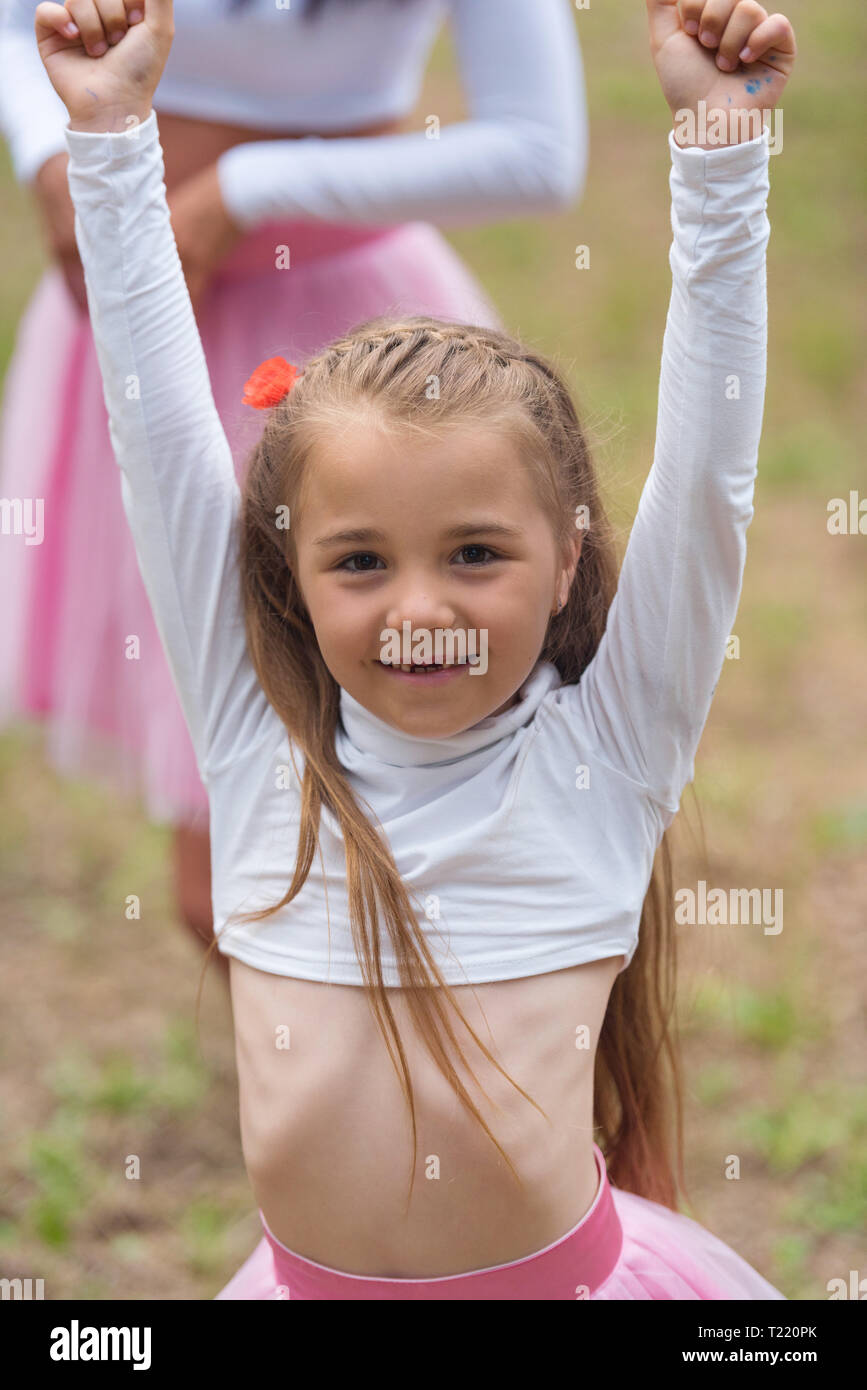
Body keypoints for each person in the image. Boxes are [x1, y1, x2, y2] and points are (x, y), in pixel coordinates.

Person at [36, 0, 797, 1299]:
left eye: (475, 553)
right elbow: (154, 430)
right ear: (289, 572)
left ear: (566, 559)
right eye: (359, 562)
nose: (418, 609)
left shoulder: (608, 755)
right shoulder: (258, 746)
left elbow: (709, 482)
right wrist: (109, 137)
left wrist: (720, 153)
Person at [0, 0, 587, 970]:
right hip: (138, 312)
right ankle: (313, 1049)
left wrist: (246, 189)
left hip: (336, 349)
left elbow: (538, 150)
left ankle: (459, 1034)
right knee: (227, 871)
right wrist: (54, 157)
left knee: (384, 807)